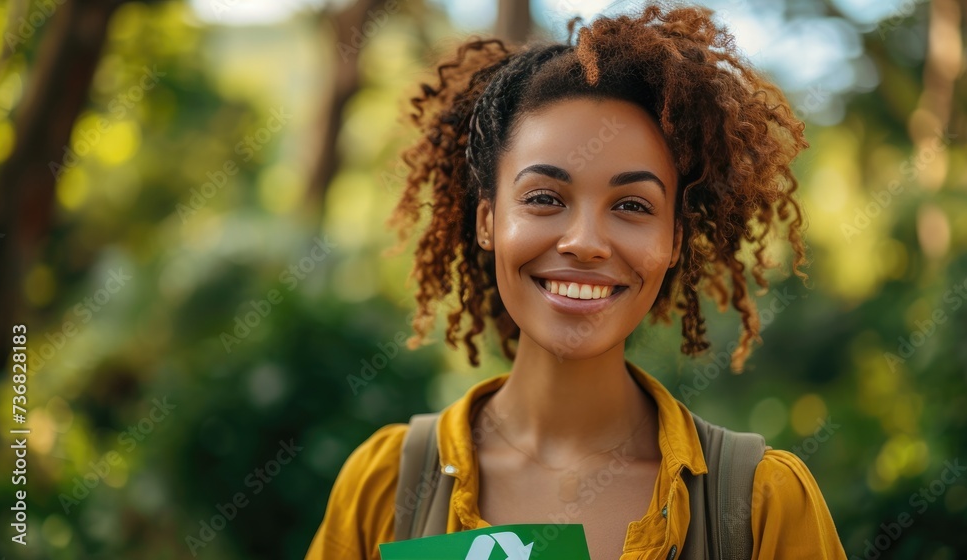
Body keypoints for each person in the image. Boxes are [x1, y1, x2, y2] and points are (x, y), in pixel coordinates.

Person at [305, 3, 847, 559]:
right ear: (488, 220)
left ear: (675, 241)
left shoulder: (762, 505)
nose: (585, 241)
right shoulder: (386, 488)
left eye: (633, 205)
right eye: (544, 198)